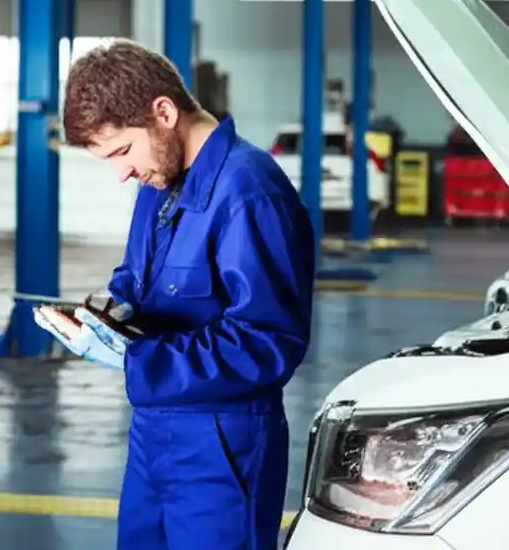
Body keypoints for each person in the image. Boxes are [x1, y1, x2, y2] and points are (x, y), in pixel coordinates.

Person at [36, 39, 315, 549]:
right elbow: (134, 278)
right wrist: (108, 315)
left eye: (121, 151)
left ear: (163, 112)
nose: (121, 172)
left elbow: (268, 342)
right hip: (153, 434)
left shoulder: (250, 192)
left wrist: (139, 355)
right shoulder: (157, 184)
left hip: (222, 443)